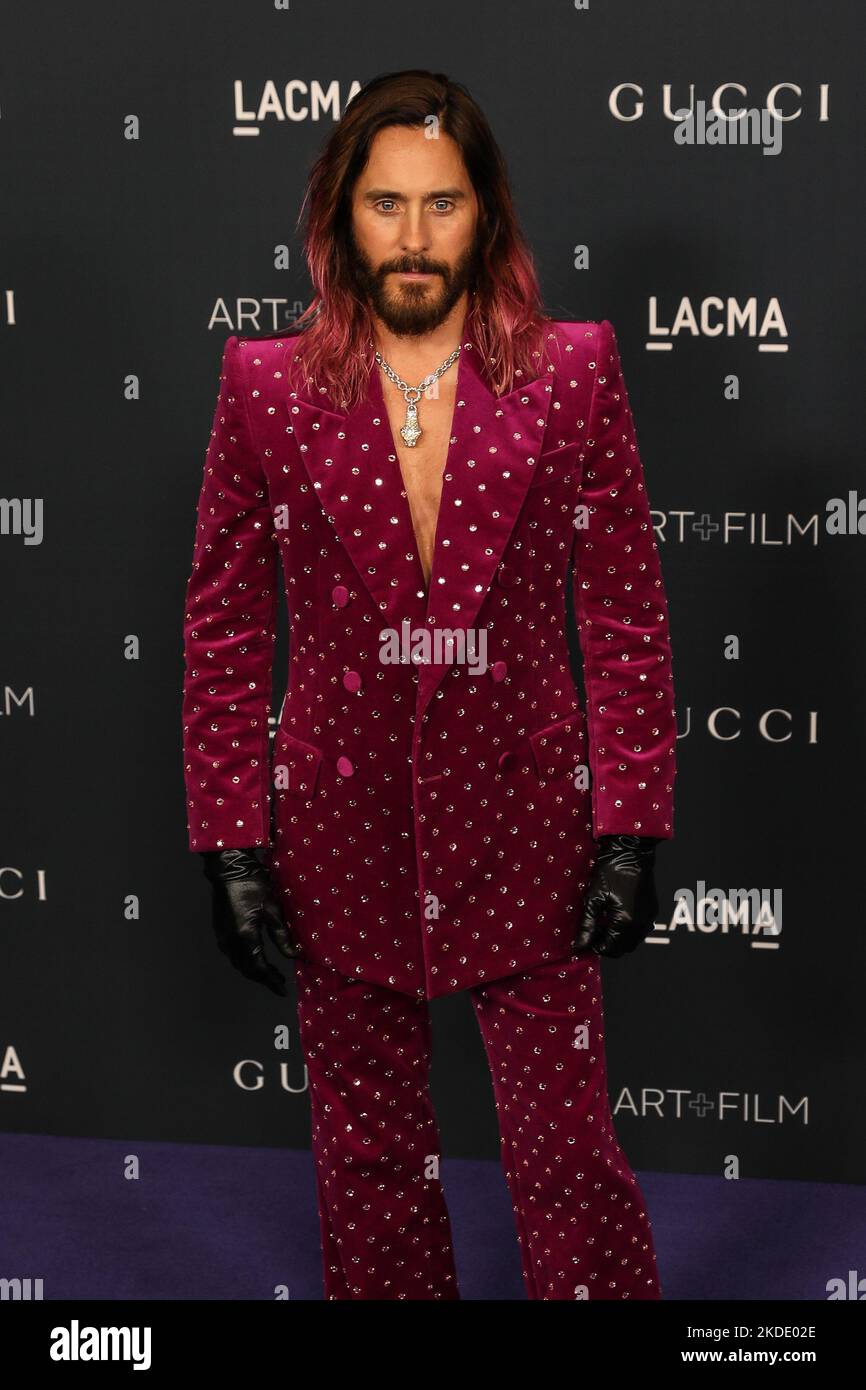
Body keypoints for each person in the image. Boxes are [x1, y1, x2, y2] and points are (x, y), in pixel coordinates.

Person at [182, 69, 677, 1300]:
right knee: (365, 1157)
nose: (411, 239)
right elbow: (226, 628)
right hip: (338, 829)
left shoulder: (573, 372)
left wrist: (628, 825)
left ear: (486, 215)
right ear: (340, 217)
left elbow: (621, 611)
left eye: (441, 205)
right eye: (385, 205)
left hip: (528, 819)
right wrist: (231, 845)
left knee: (564, 1152)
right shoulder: (262, 386)